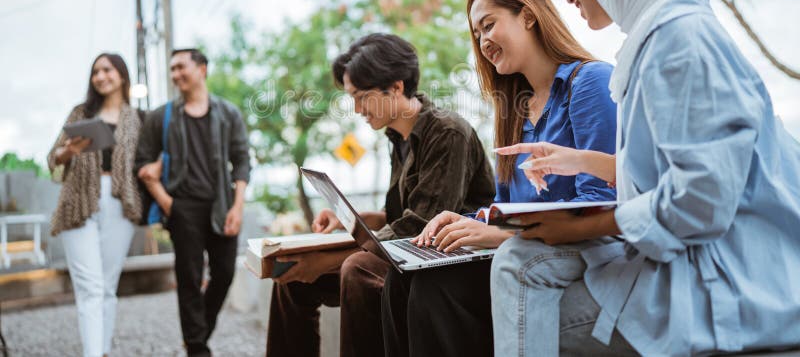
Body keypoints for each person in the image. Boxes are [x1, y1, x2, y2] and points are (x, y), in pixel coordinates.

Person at [490, 0, 800, 356]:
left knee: (519, 281)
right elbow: (675, 170)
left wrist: (575, 230)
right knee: (516, 261)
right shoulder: (669, 36)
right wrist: (580, 160)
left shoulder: (680, 42)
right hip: (710, 268)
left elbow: (700, 200)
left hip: (726, 292)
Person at [380, 0, 617, 357]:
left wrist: (505, 238)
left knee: (437, 286)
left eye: (489, 25)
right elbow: (506, 206)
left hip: (577, 252)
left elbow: (599, 203)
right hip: (522, 247)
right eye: (476, 34)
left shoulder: (589, 82)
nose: (483, 42)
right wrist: (469, 221)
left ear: (527, 14)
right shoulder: (514, 111)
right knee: (401, 276)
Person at [266, 33, 495, 357]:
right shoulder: (397, 136)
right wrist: (348, 219)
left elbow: (421, 227)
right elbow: (401, 216)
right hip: (407, 251)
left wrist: (327, 260)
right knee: (292, 278)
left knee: (356, 268)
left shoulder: (446, 131)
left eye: (361, 96)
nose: (356, 109)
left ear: (396, 87)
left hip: (448, 262)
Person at [134, 48, 250, 357]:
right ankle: (198, 348)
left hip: (222, 204)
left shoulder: (228, 113)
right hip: (182, 206)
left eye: (181, 67)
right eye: (171, 69)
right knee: (189, 278)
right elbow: (142, 163)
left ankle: (197, 334)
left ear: (202, 69)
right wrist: (167, 203)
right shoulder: (162, 116)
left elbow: (241, 161)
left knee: (224, 272)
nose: (175, 74)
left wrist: (237, 207)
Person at [47, 53, 143, 357]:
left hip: (121, 203)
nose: (100, 76)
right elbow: (53, 159)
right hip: (78, 202)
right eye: (95, 72)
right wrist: (68, 151)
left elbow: (145, 163)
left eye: (107, 70)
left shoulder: (137, 118)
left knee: (107, 287)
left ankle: (100, 351)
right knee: (89, 286)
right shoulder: (80, 113)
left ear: (122, 75)